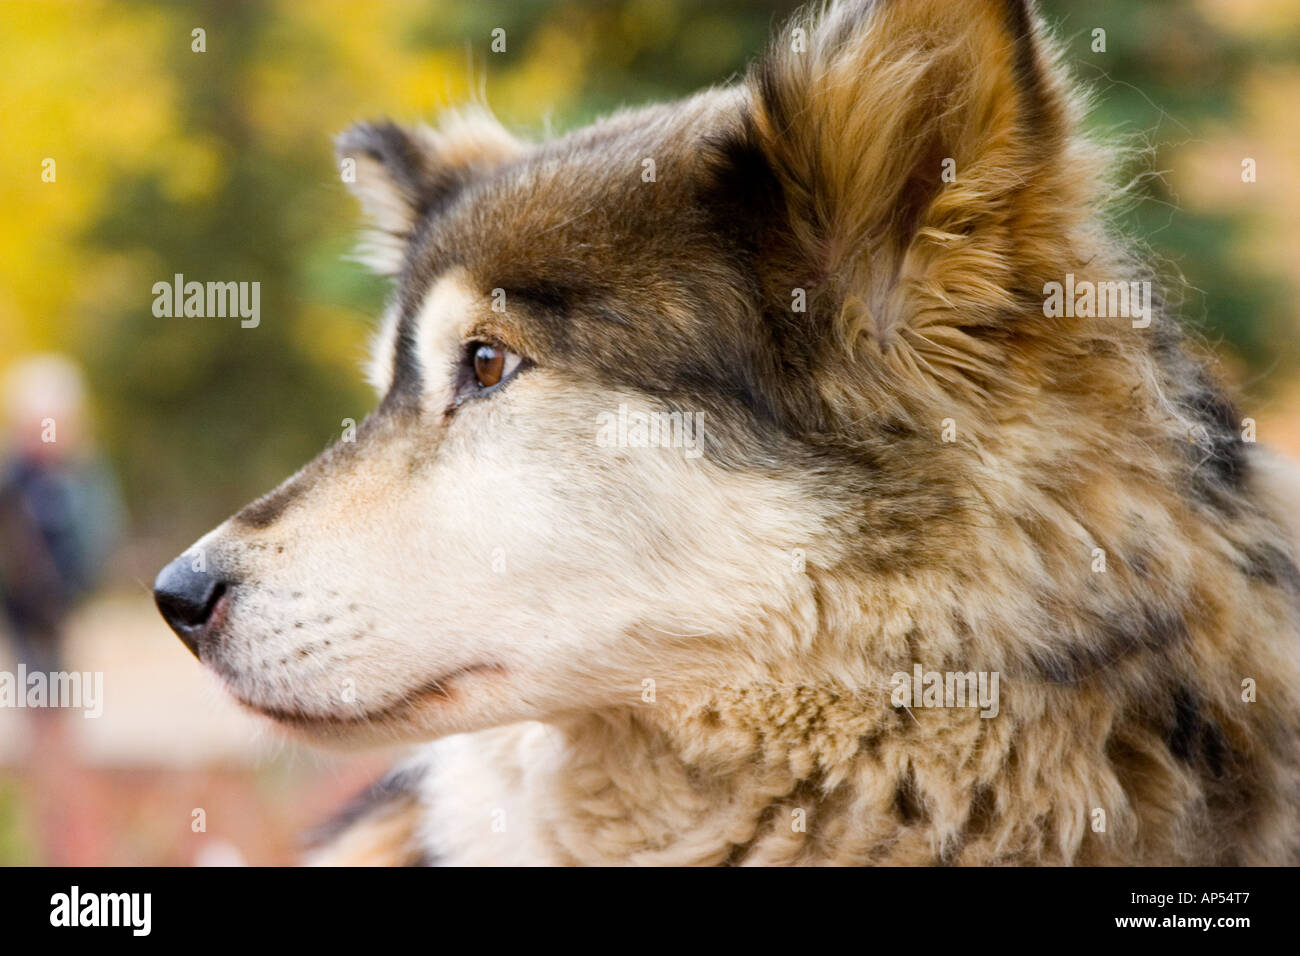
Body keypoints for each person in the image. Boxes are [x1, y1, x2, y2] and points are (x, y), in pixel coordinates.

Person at [0, 355, 122, 679]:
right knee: (34, 677)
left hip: (64, 596)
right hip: (21, 604)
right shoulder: (12, 480)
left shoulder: (81, 476)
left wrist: (75, 584)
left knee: (59, 678)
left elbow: (99, 534)